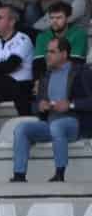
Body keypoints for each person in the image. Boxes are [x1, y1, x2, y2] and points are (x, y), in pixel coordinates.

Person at [10, 35, 92, 182]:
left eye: (52, 52)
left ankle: (59, 174)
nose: (47, 55)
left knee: (57, 126)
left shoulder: (81, 72)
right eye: (47, 51)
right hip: (50, 123)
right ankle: (19, 175)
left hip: (76, 123)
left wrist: (71, 104)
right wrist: (40, 106)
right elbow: (35, 106)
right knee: (21, 128)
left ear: (64, 54)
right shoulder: (45, 76)